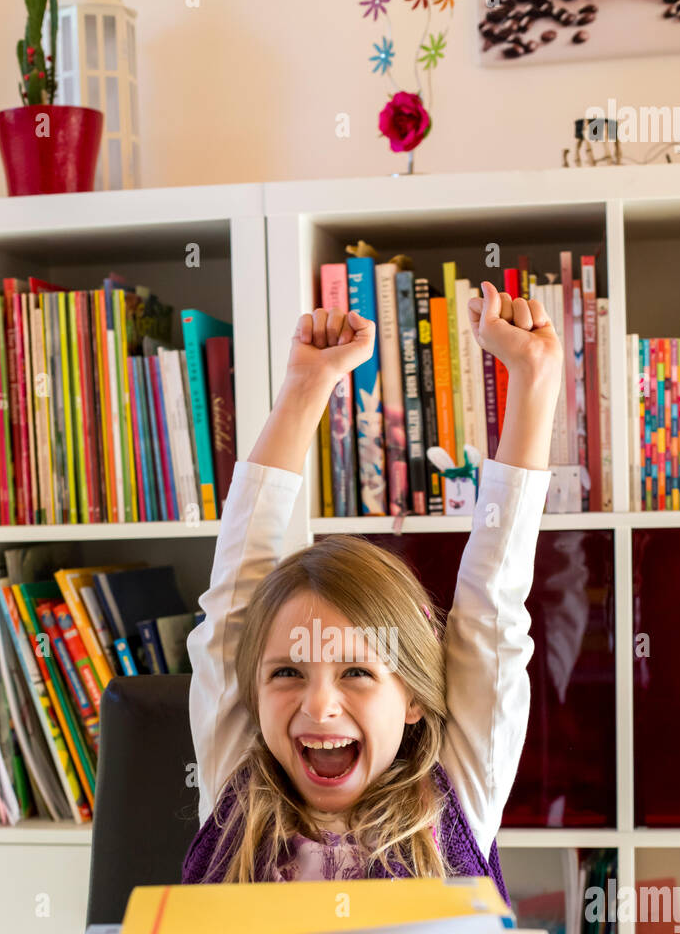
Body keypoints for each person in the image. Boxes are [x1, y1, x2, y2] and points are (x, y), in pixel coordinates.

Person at [182, 281, 562, 893]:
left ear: (414, 698)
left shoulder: (459, 792)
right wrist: (306, 389)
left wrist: (535, 379)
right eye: (286, 673)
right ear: (250, 689)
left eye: (357, 673)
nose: (318, 706)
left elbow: (494, 599)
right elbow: (236, 588)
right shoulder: (237, 787)